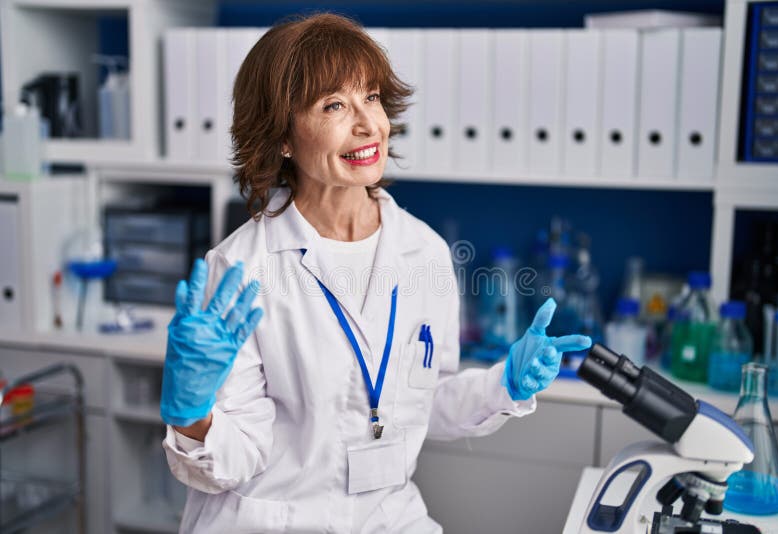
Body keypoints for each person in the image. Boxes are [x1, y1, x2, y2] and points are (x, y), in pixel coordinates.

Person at [160, 13, 591, 533]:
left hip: (388, 517)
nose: (368, 124)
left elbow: (426, 404)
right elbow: (236, 460)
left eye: (371, 96)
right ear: (283, 138)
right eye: (334, 105)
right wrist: (192, 415)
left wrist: (506, 384)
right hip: (270, 520)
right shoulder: (240, 268)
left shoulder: (423, 251)